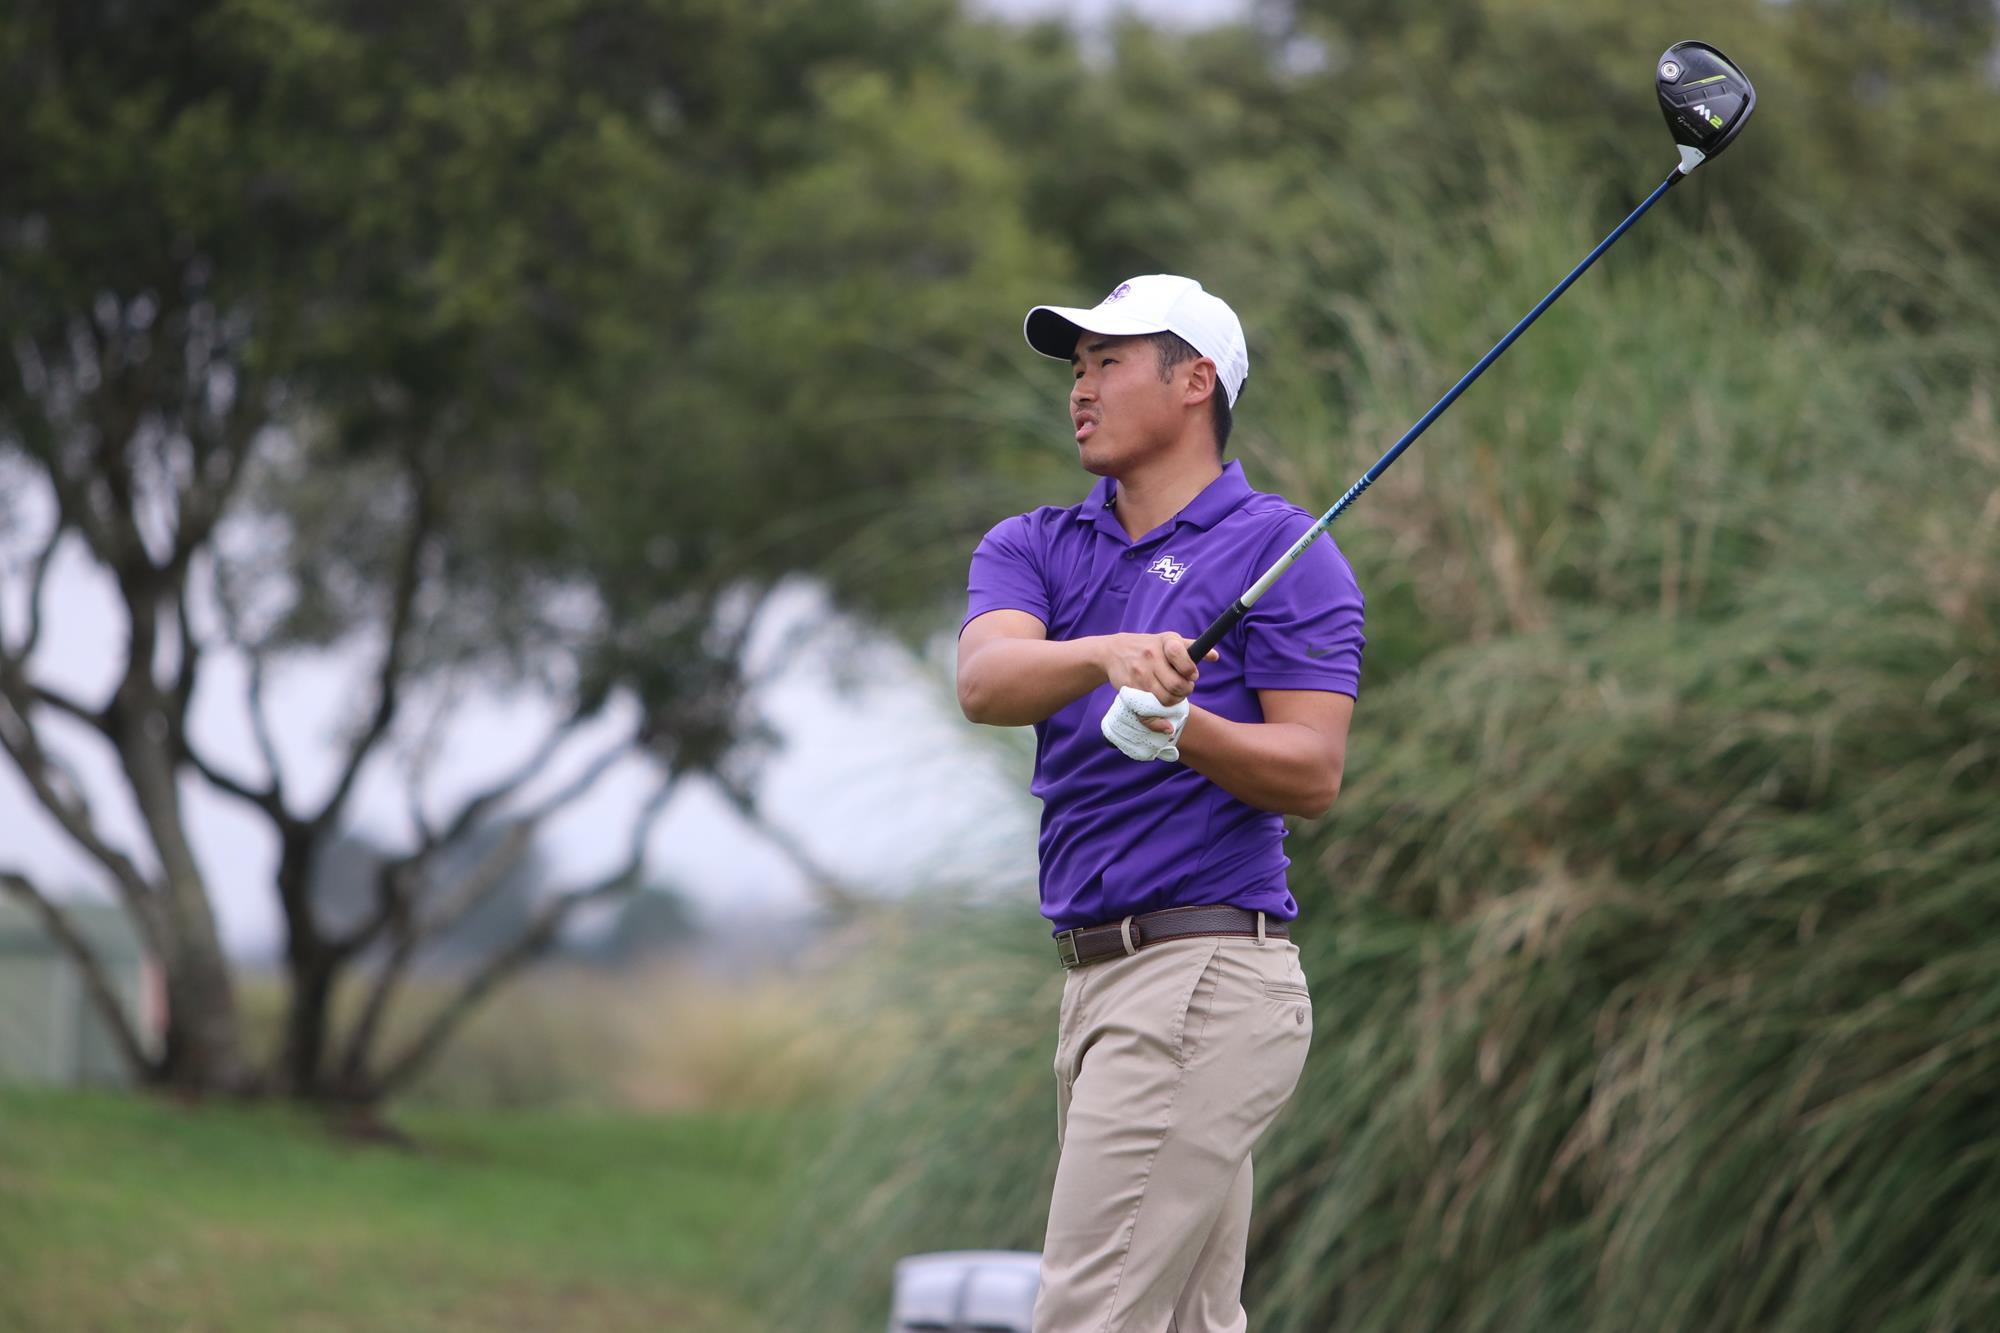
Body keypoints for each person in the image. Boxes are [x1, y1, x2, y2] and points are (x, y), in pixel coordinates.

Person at [955, 274, 1366, 1332]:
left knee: (1089, 1314)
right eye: (1076, 368)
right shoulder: (1035, 545)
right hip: (1095, 985)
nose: (1079, 389)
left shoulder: (1285, 553)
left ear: (1194, 382)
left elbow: (1311, 770)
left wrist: (1187, 730)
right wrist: (1104, 658)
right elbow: (986, 681)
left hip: (1203, 977)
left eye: (1108, 362)